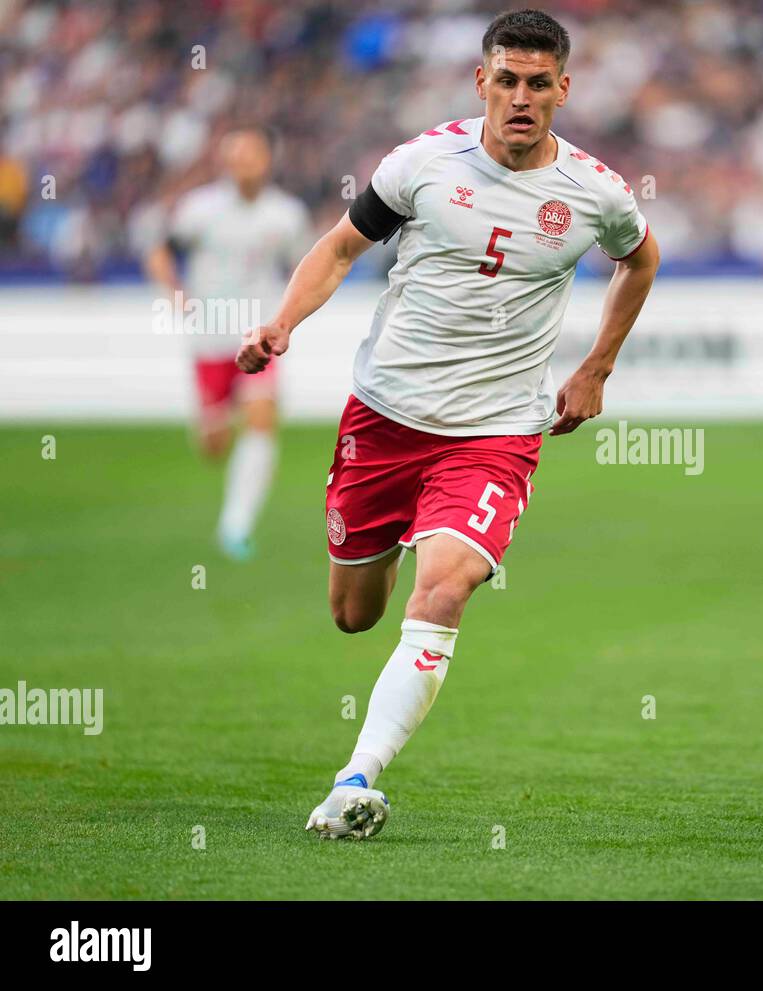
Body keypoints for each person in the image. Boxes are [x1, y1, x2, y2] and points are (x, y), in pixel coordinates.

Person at [236, 9, 660, 839]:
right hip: (386, 418)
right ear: (482, 82)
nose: (522, 97)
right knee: (354, 614)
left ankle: (356, 779)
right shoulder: (423, 164)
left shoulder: (594, 193)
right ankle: (400, 534)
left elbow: (641, 258)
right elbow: (335, 250)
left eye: (540, 83)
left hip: (496, 431)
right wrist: (283, 323)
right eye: (507, 80)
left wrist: (596, 366)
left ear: (563, 89)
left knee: (448, 585)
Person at [146, 127, 313, 560]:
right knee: (214, 444)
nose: (245, 166)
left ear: (267, 161)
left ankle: (235, 527)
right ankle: (213, 425)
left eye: (253, 157)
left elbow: (305, 266)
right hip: (209, 338)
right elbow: (161, 252)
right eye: (237, 157)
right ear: (226, 163)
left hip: (256, 336)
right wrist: (174, 291)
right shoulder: (199, 210)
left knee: (261, 417)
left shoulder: (286, 214)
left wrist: (288, 316)